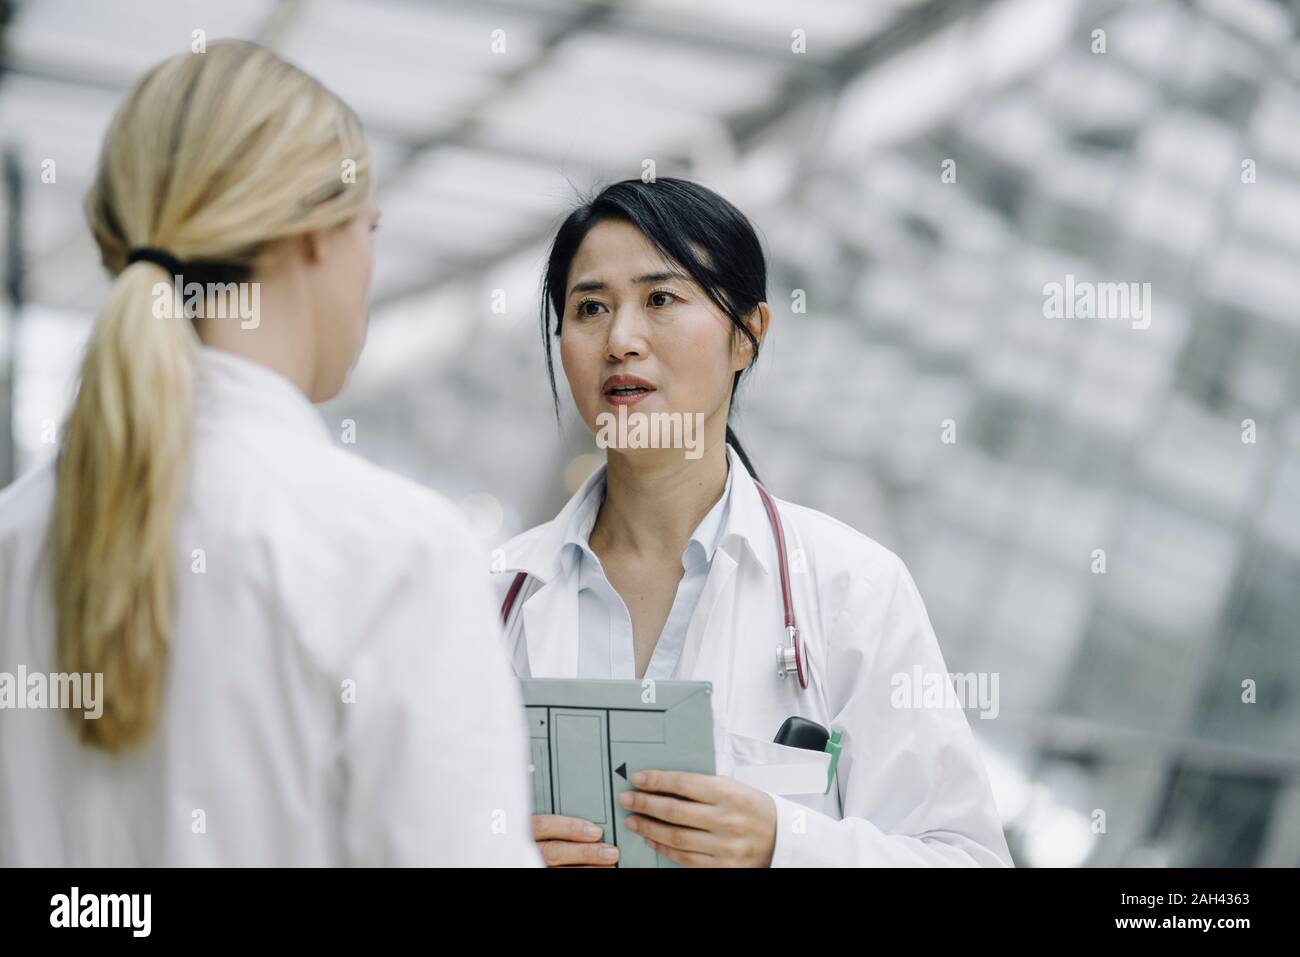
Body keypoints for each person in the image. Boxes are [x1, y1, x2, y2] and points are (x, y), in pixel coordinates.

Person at [0, 40, 540, 867]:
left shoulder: (14, 535)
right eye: (370, 228)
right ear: (313, 237)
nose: (371, 265)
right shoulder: (393, 550)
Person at [494, 178, 1011, 867]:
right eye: (589, 307)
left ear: (747, 335)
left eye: (661, 299)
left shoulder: (853, 590)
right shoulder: (485, 598)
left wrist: (782, 842)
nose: (620, 339)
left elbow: (967, 857)